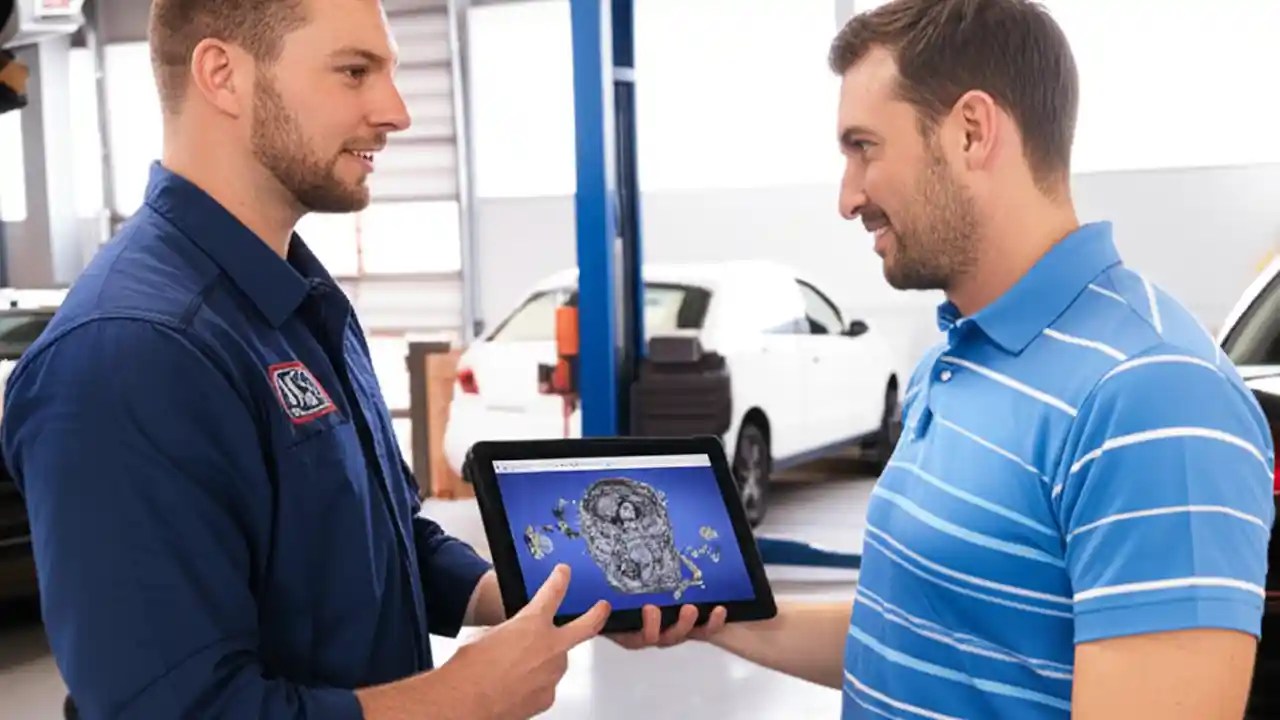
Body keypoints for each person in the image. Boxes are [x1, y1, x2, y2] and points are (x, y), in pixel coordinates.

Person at [615, 1, 1276, 718]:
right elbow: (919, 634)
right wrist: (714, 611)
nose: (848, 197)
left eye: (864, 147)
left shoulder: (1154, 395)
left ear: (971, 132)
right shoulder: (952, 361)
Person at [0, 1, 617, 718]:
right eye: (354, 71)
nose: (396, 112)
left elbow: (377, 541)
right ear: (222, 75)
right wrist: (466, 694)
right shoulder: (128, 354)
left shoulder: (299, 299)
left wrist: (521, 590)